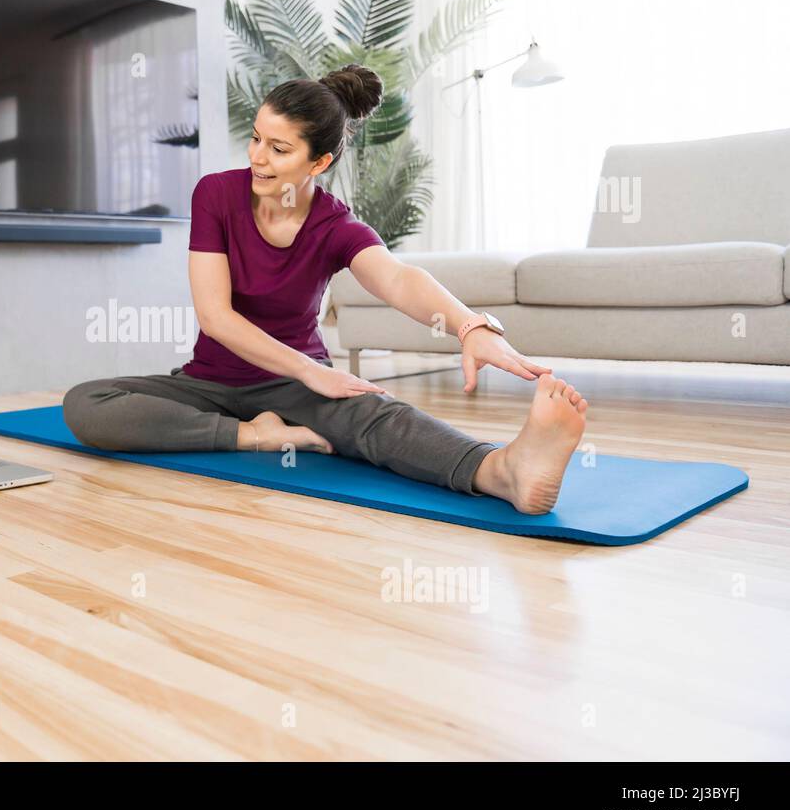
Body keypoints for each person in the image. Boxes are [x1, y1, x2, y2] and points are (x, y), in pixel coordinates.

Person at [64, 64, 589, 515]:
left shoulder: (335, 226)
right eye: (256, 138)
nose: (257, 157)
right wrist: (290, 392)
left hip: (295, 388)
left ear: (319, 163)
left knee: (375, 416)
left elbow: (397, 277)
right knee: (87, 403)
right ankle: (255, 434)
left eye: (278, 148)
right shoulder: (216, 195)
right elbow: (216, 317)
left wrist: (469, 325)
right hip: (212, 382)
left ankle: (504, 471)